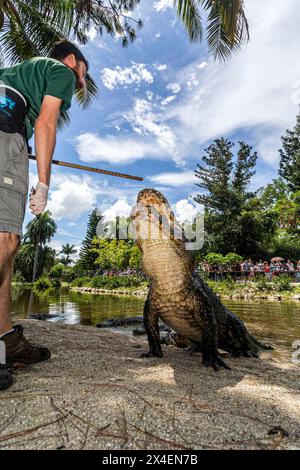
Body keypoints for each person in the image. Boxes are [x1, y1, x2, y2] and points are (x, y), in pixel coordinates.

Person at [0, 40, 89, 390]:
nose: (81, 83)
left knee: (5, 244)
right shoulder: (61, 72)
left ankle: (5, 337)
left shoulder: (18, 73)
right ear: (71, 59)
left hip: (10, 128)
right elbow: (46, 125)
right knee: (5, 238)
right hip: (6, 133)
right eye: (84, 72)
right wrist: (44, 184)